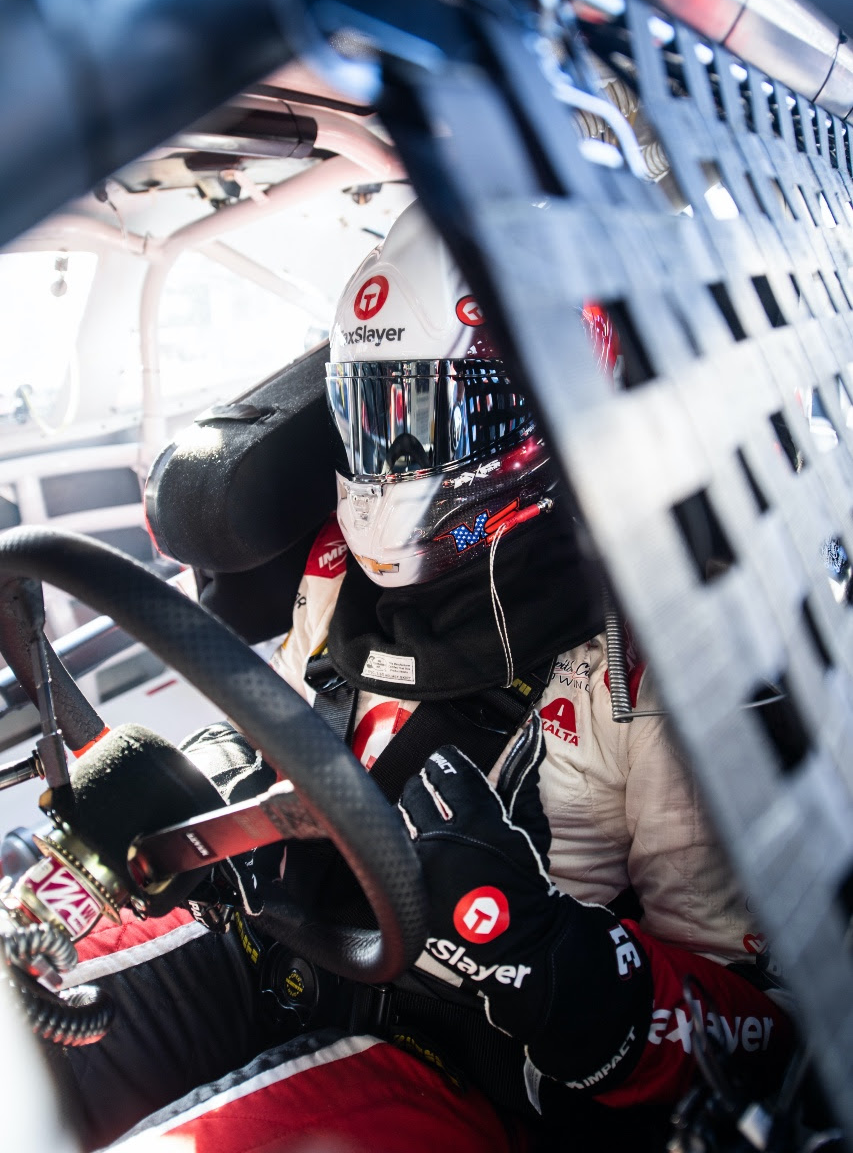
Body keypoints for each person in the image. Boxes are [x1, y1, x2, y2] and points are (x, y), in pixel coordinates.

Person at [53, 202, 793, 1152]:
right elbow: (286, 738)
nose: (392, 459)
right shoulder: (332, 566)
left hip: (471, 1073)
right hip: (283, 943)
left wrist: (538, 948)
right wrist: (206, 786)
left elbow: (760, 1038)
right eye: (374, 417)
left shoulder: (661, 655)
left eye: (431, 417)